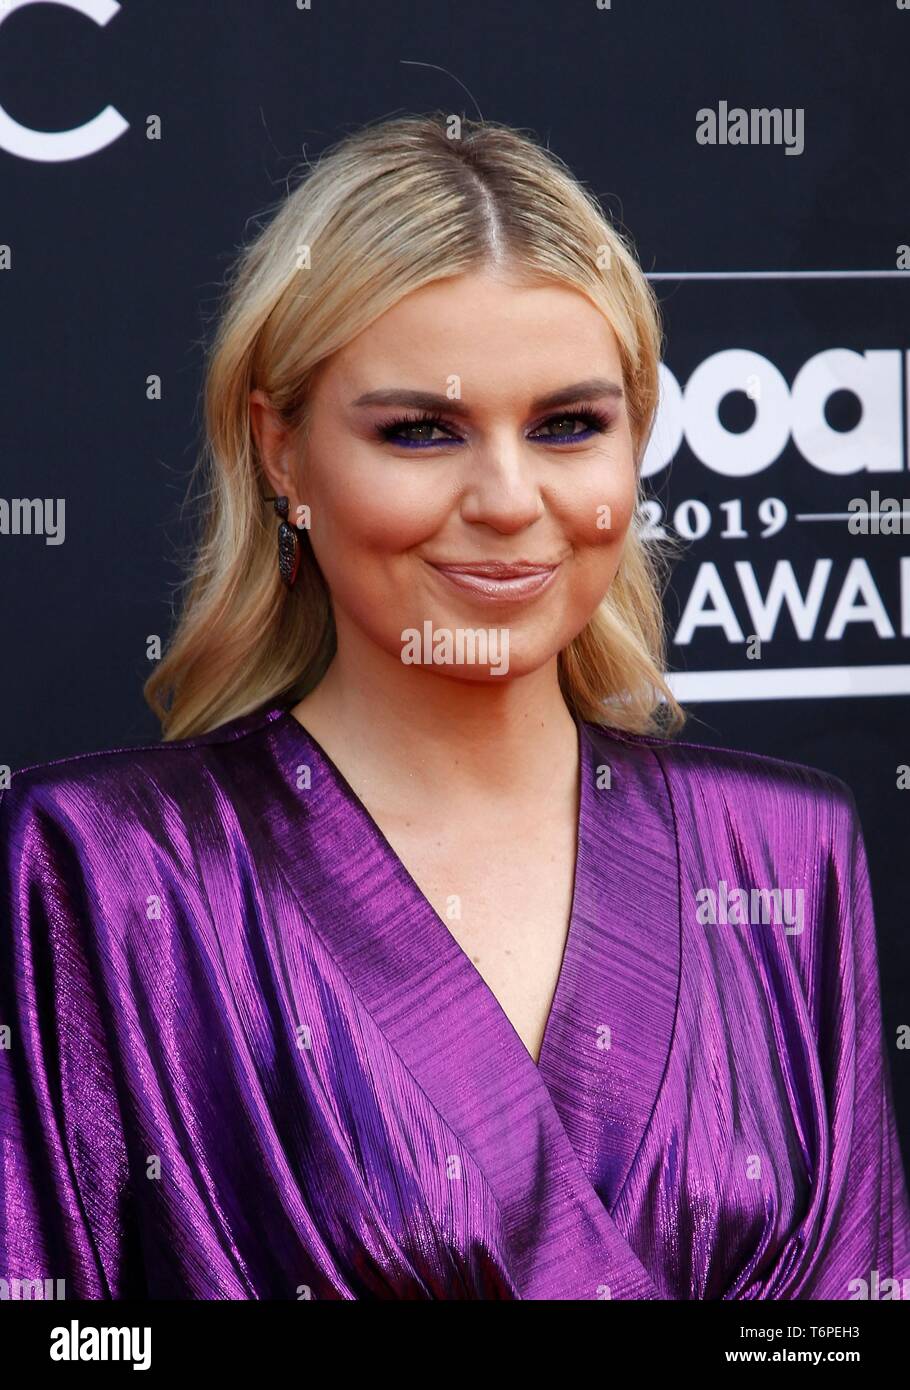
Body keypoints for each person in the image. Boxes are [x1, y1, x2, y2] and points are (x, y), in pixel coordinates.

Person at [1, 114, 907, 1300]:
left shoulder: (784, 853)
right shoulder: (110, 870)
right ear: (281, 452)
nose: (507, 497)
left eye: (568, 425)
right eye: (422, 430)